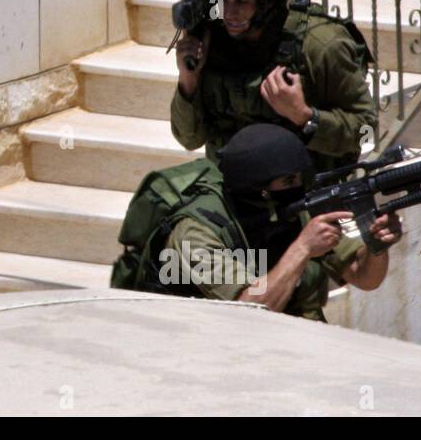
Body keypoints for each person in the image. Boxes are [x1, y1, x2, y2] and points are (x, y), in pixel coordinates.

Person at [111, 124, 402, 321]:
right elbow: (248, 312)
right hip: (201, 346)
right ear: (257, 187)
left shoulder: (285, 210)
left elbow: (363, 276)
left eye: (299, 178)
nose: (297, 186)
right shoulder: (194, 232)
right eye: (287, 180)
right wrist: (302, 249)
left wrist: (377, 244)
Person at [170, 0, 375, 174]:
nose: (229, 13)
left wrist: (306, 117)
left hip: (303, 198)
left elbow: (367, 133)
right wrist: (188, 81)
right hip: (234, 193)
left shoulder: (320, 45)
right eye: (223, 0)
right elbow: (189, 139)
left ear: (267, 2)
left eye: (243, 1)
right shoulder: (211, 42)